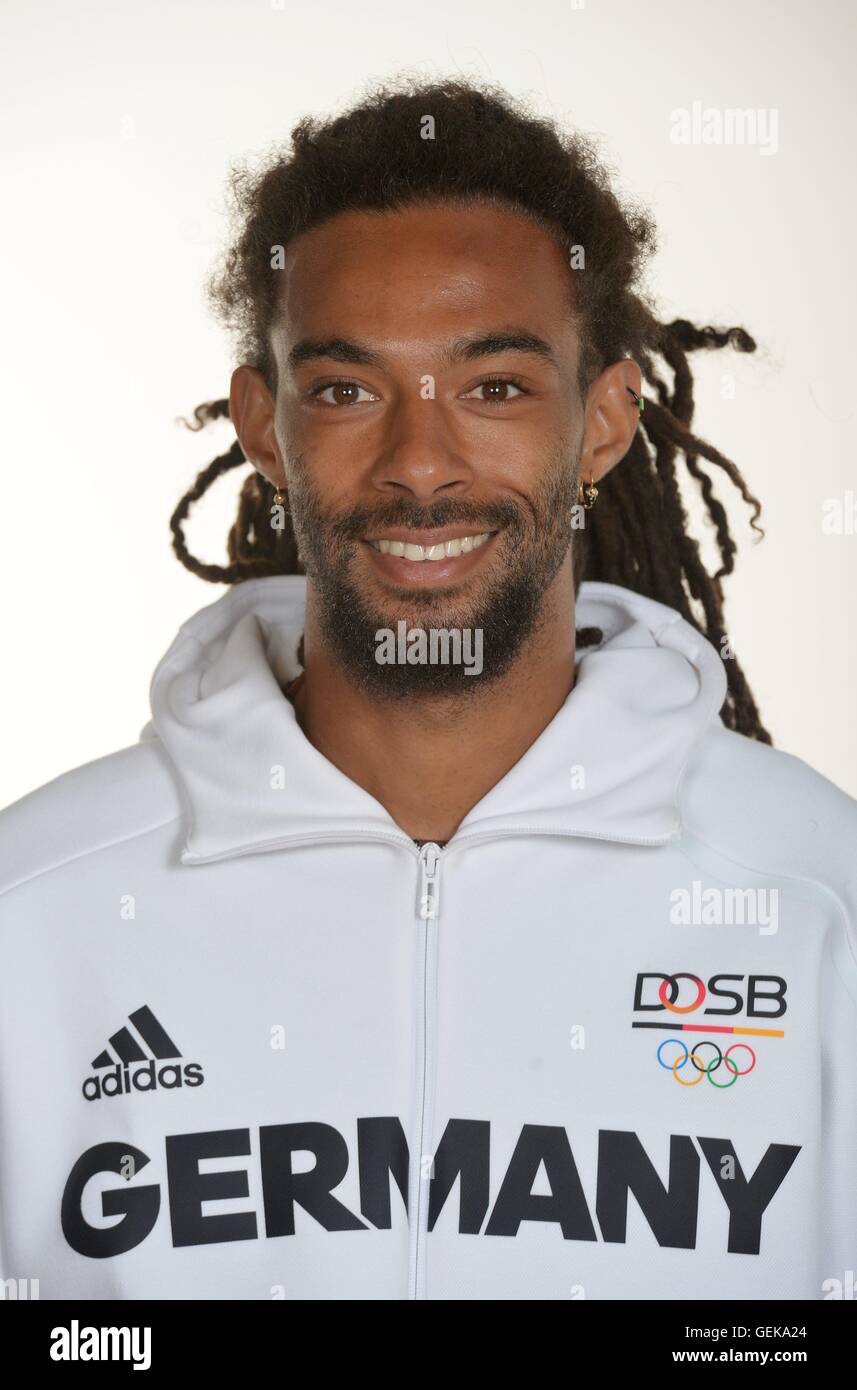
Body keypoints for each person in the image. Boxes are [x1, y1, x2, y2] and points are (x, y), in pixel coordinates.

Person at [1, 78, 855, 1302]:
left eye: (494, 386)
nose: (418, 465)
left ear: (604, 419)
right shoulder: (32, 913)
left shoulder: (815, 896)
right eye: (347, 389)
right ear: (264, 426)